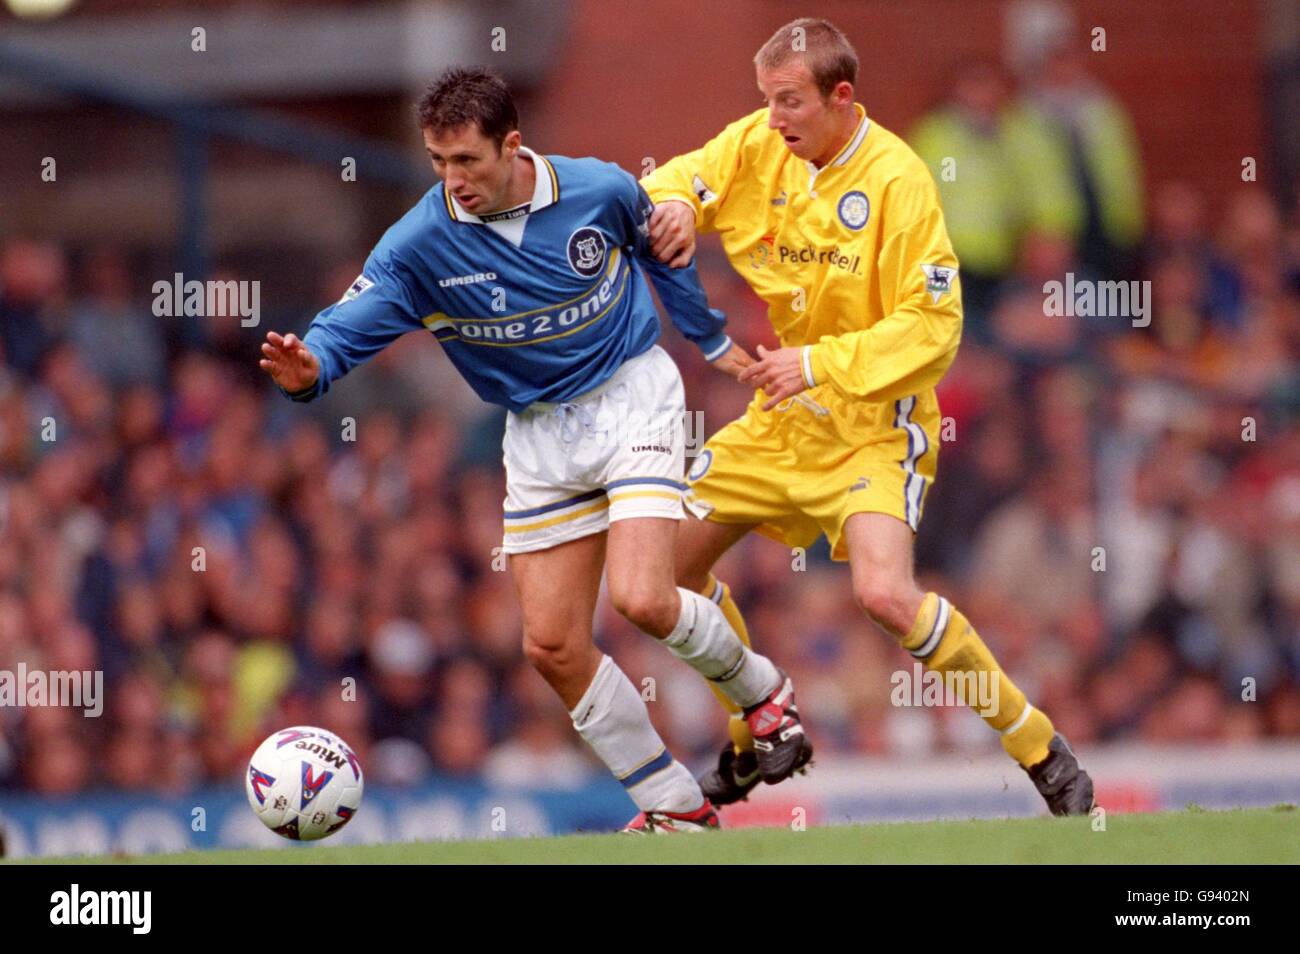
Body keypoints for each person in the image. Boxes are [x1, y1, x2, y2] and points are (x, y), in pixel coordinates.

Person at [260, 67, 802, 832]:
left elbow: (662, 252)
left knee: (643, 596)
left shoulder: (600, 190)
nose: (452, 180)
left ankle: (765, 693)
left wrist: (710, 339)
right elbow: (357, 316)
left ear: (512, 146)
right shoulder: (422, 241)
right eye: (438, 163)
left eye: (467, 162)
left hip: (630, 397)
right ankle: (674, 804)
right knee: (551, 644)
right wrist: (311, 367)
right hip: (539, 434)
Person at [641, 18, 1095, 815]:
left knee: (884, 596)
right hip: (783, 415)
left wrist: (816, 362)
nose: (773, 118)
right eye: (766, 100)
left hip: (874, 423)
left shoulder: (899, 180)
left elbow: (934, 328)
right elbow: (679, 179)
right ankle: (755, 728)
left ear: (840, 96)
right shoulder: (758, 143)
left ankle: (1036, 745)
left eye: (789, 102)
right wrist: (675, 202)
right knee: (658, 579)